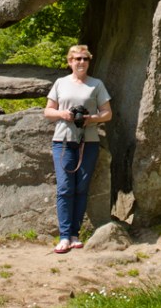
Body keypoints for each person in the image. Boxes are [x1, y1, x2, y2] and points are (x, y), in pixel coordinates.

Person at [44, 44, 112, 254]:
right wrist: (63, 115)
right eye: (77, 59)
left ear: (89, 61)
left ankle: (75, 233)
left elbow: (107, 114)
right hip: (63, 141)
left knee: (82, 188)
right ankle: (64, 236)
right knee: (65, 188)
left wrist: (91, 119)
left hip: (88, 142)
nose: (81, 62)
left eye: (85, 59)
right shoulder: (60, 83)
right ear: (70, 62)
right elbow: (47, 111)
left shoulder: (96, 84)